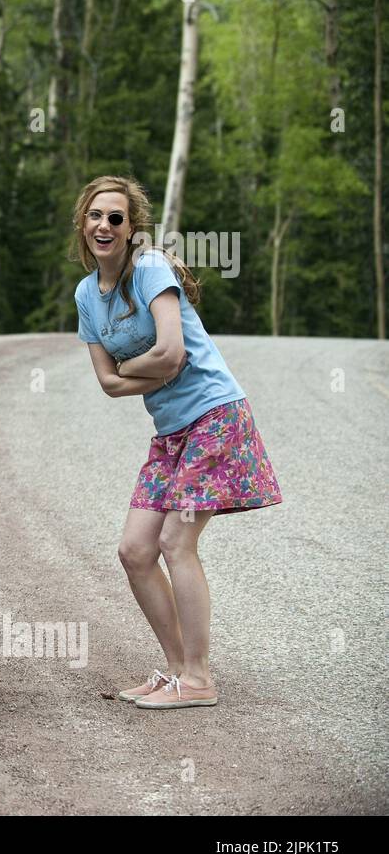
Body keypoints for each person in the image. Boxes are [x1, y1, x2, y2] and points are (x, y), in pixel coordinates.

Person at [71, 175, 282, 709]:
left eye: (116, 218)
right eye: (96, 215)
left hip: (215, 417)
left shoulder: (149, 269)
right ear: (83, 222)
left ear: (131, 229)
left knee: (175, 542)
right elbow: (109, 383)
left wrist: (133, 366)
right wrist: (149, 369)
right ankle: (176, 670)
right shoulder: (85, 296)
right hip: (172, 435)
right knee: (136, 550)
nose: (104, 225)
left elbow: (171, 352)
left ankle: (200, 679)